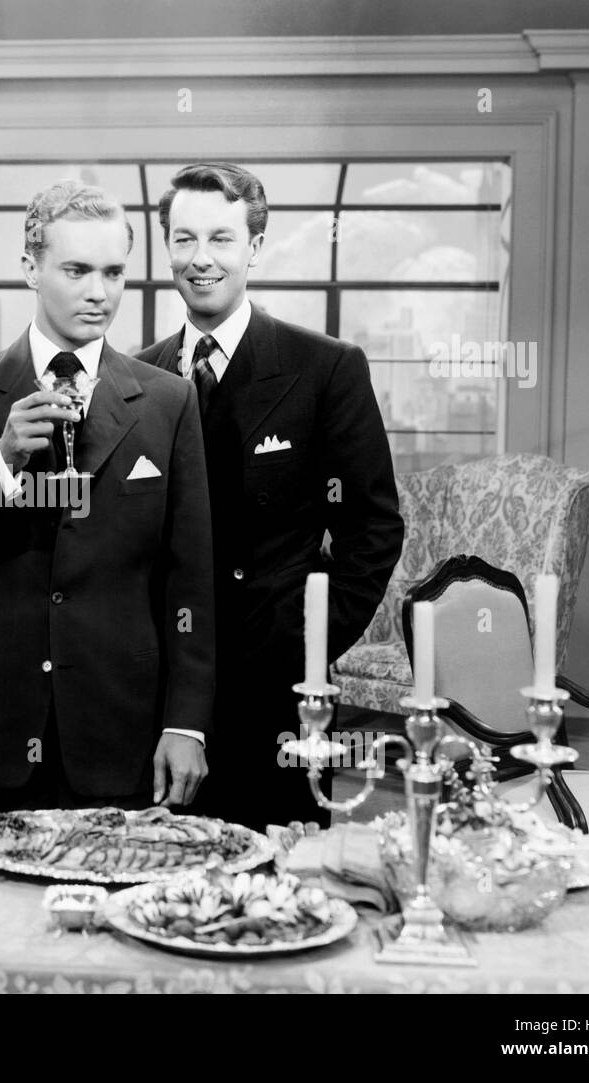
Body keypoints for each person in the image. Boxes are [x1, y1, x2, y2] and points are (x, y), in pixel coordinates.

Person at [0, 180, 215, 827]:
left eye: (114, 272)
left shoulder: (170, 402)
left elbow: (191, 581)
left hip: (121, 734)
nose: (99, 292)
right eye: (77, 270)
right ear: (31, 268)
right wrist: (0, 460)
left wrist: (187, 722)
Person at [137, 162, 404, 831]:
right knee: (158, 875)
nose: (202, 259)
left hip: (280, 693)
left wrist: (306, 639)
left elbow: (373, 528)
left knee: (281, 886)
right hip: (161, 686)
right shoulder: (135, 375)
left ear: (254, 247)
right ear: (165, 245)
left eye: (221, 239)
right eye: (184, 239)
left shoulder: (325, 368)